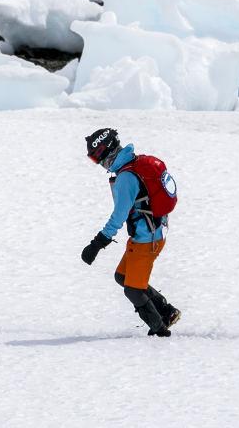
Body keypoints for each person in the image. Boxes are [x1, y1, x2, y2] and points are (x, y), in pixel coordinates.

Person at [80, 127, 180, 337]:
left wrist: (96, 244)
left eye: (96, 159)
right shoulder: (135, 163)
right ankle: (167, 312)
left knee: (132, 289)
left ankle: (160, 329)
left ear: (106, 152)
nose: (99, 164)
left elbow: (118, 216)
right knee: (122, 276)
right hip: (149, 235)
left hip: (147, 240)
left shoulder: (126, 178)